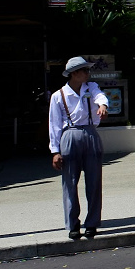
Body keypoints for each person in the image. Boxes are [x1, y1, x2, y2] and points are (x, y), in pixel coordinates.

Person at [48, 57, 109, 240]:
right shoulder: (58, 96)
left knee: (94, 181)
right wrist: (55, 151)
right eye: (85, 71)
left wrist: (103, 105)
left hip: (90, 132)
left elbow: (100, 96)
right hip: (70, 134)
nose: (88, 74)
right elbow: (54, 125)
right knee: (70, 182)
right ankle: (73, 224)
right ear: (74, 73)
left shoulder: (91, 87)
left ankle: (92, 223)